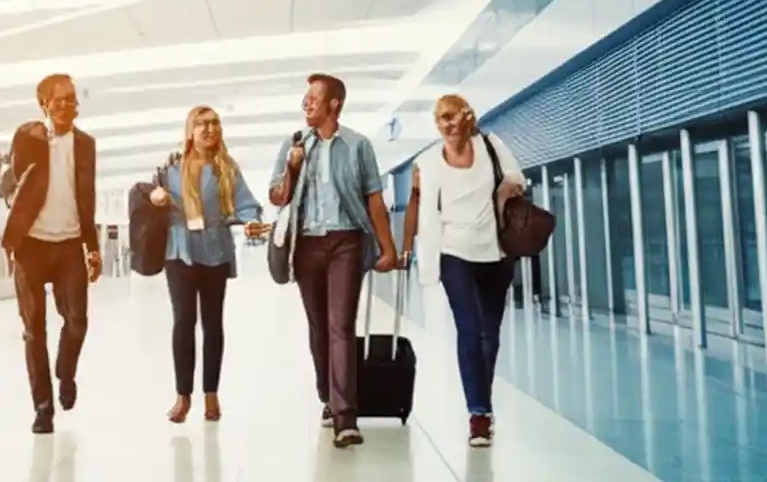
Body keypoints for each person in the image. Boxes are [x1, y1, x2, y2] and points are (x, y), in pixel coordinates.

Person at [269, 73, 399, 448]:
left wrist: (387, 247)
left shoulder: (357, 145)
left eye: (313, 98)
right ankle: (327, 396)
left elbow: (374, 199)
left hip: (346, 242)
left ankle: (346, 417)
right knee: (318, 328)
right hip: (306, 244)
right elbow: (277, 198)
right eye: (305, 99)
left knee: (340, 325)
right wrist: (292, 167)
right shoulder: (294, 144)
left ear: (334, 104)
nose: (305, 104)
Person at [403, 94, 524, 447]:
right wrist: (409, 249)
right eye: (441, 118)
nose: (447, 124)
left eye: (452, 116)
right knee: (469, 330)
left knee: (490, 333)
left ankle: (482, 401)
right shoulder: (427, 162)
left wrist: (504, 191)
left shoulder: (490, 145)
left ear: (467, 116)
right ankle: (478, 414)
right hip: (453, 252)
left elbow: (517, 178)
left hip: (497, 251)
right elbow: (418, 205)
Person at [148, 106, 271, 424]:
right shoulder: (171, 170)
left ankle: (211, 395)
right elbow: (151, 200)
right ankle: (182, 396)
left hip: (215, 253)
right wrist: (156, 196)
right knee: (183, 321)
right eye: (201, 124)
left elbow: (246, 205)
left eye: (215, 123)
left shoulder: (227, 170)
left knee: (213, 324)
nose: (209, 128)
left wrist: (251, 222)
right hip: (180, 253)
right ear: (190, 131)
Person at [1, 73, 101, 434]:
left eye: (70, 99)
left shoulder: (86, 144)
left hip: (70, 242)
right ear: (44, 104)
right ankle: (43, 407)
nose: (65, 105)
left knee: (77, 321)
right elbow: (8, 185)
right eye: (57, 99)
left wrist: (92, 247)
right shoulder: (27, 136)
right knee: (33, 329)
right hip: (31, 245)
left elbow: (87, 197)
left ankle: (65, 372)